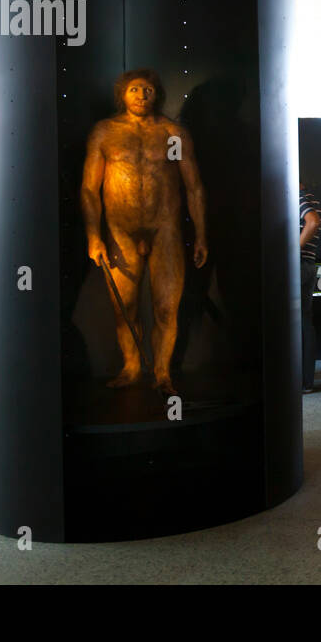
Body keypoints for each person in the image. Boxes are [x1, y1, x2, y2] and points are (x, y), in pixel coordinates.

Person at [81, 68, 207, 397]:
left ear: (157, 95)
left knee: (167, 308)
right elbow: (89, 190)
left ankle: (163, 372)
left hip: (165, 228)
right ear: (123, 93)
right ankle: (132, 367)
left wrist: (202, 234)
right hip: (120, 230)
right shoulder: (105, 132)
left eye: (148, 90)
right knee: (125, 307)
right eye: (135, 89)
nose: (141, 96)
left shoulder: (172, 133)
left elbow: (193, 187)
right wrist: (93, 235)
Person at [298, 183, 321, 393]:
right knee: (305, 323)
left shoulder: (298, 198)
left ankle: (299, 381)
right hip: (308, 265)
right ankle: (306, 382)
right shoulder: (311, 197)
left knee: (295, 324)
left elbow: (313, 221)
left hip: (297, 265)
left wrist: (291, 250)